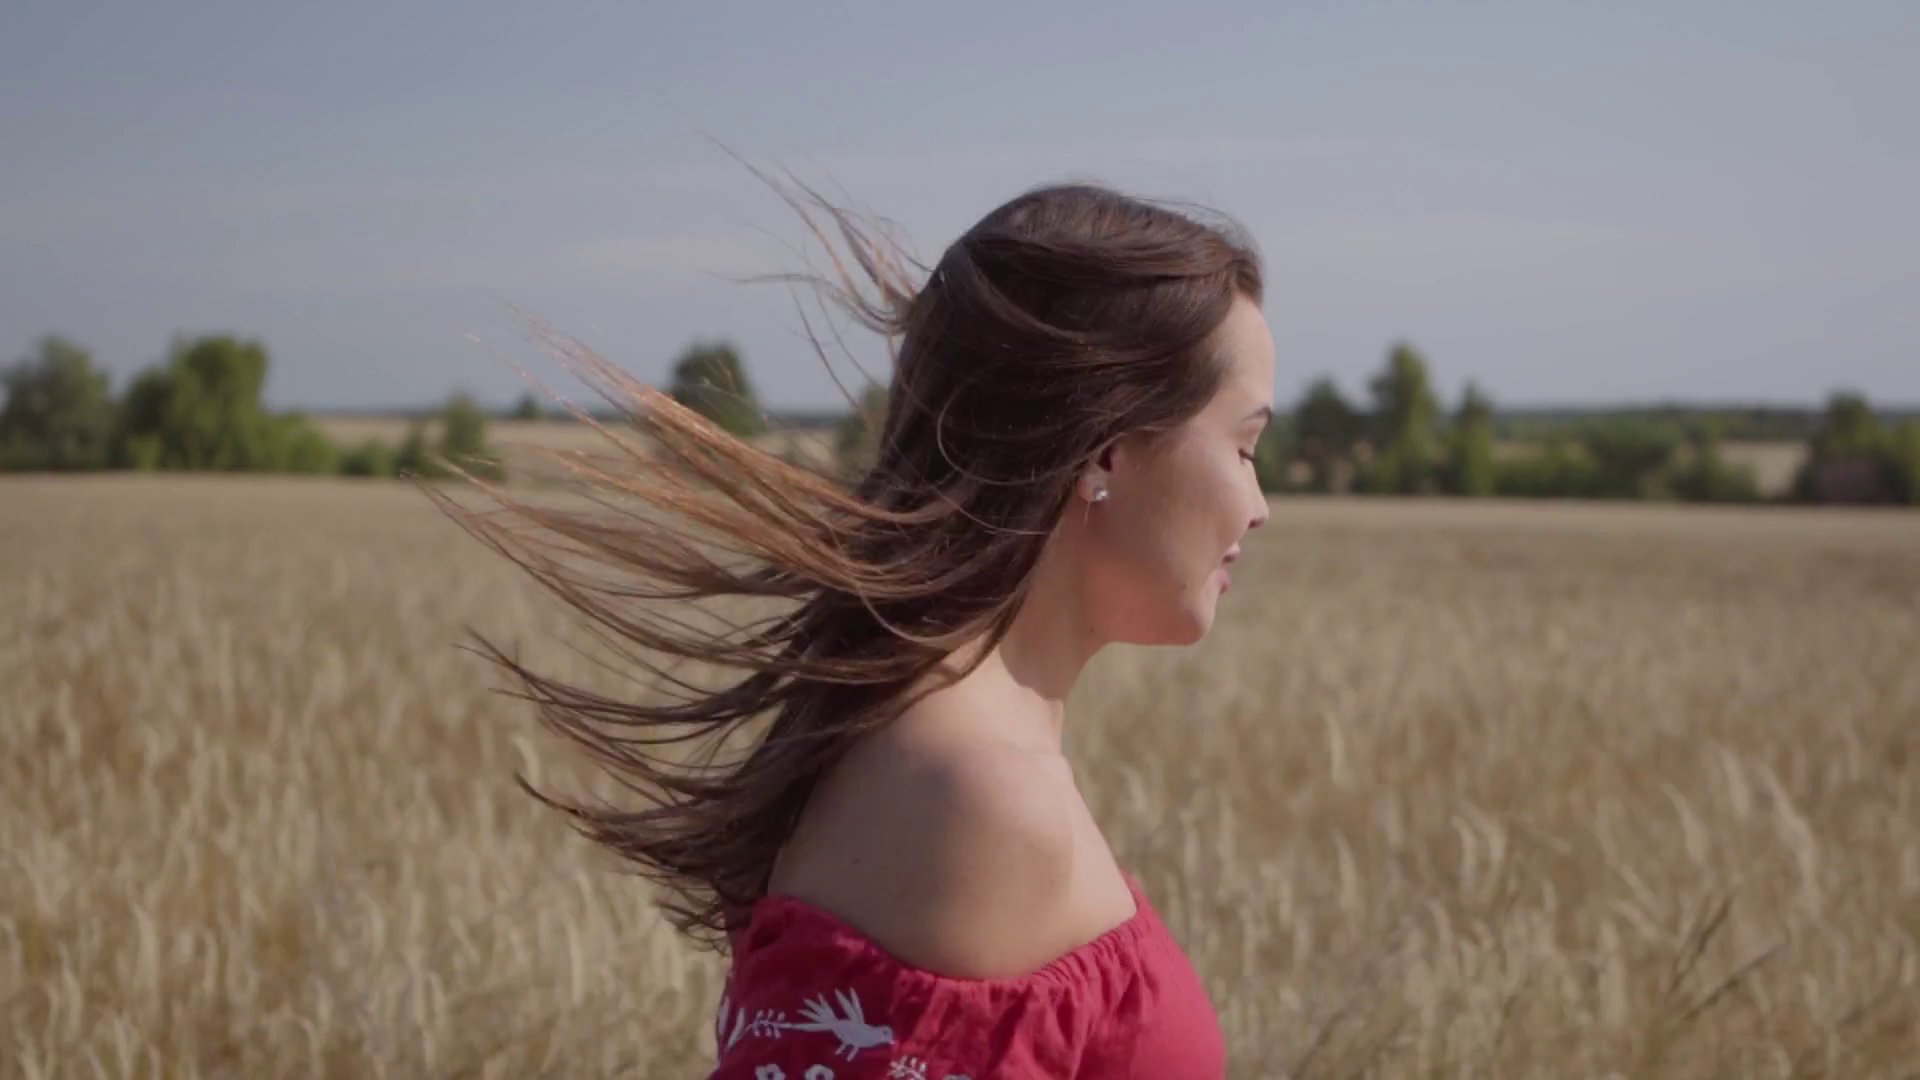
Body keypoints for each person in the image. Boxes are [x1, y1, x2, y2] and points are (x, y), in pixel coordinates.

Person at [436, 179, 1274, 1078]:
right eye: (1244, 447)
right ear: (1107, 448)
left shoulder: (934, 745)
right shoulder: (973, 798)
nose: (1259, 507)